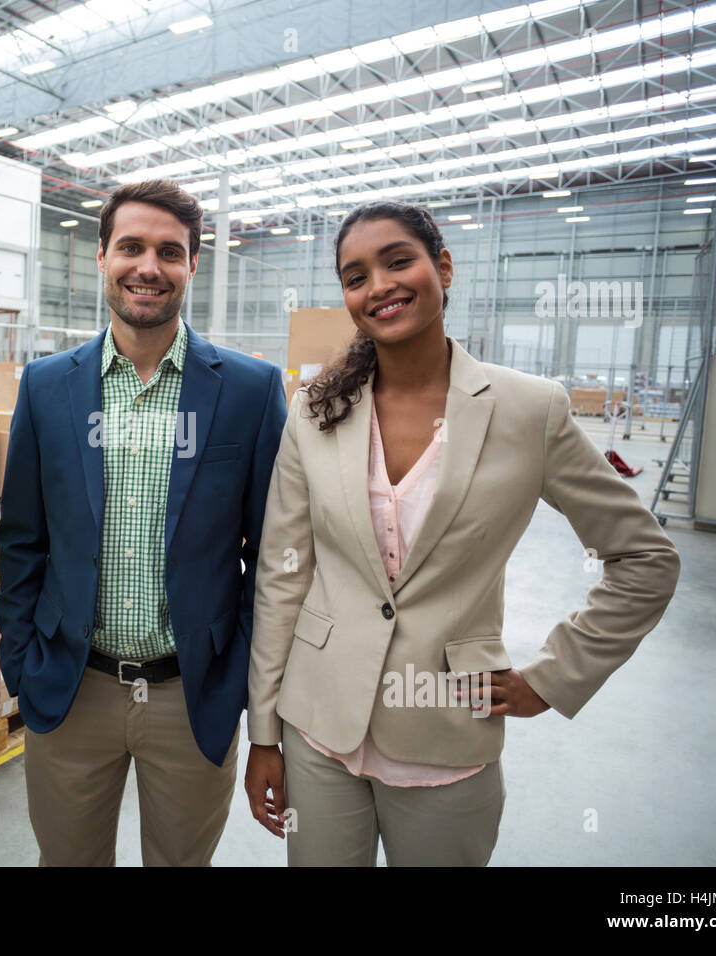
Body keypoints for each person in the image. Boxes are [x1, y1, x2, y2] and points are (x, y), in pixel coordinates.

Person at [244, 200, 680, 866]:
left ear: (442, 267)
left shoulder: (527, 409)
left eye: (398, 261)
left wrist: (554, 676)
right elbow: (283, 572)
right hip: (318, 727)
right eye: (355, 276)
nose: (380, 286)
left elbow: (644, 557)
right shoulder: (317, 411)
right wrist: (265, 733)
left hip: (446, 730)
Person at [0, 180, 287, 866]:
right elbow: (22, 540)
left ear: (191, 265)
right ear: (101, 256)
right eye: (131, 247)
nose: (148, 266)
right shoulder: (46, 386)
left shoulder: (248, 390)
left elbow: (272, 556)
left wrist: (235, 674)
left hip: (191, 698)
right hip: (72, 689)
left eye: (169, 251)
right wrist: (22, 664)